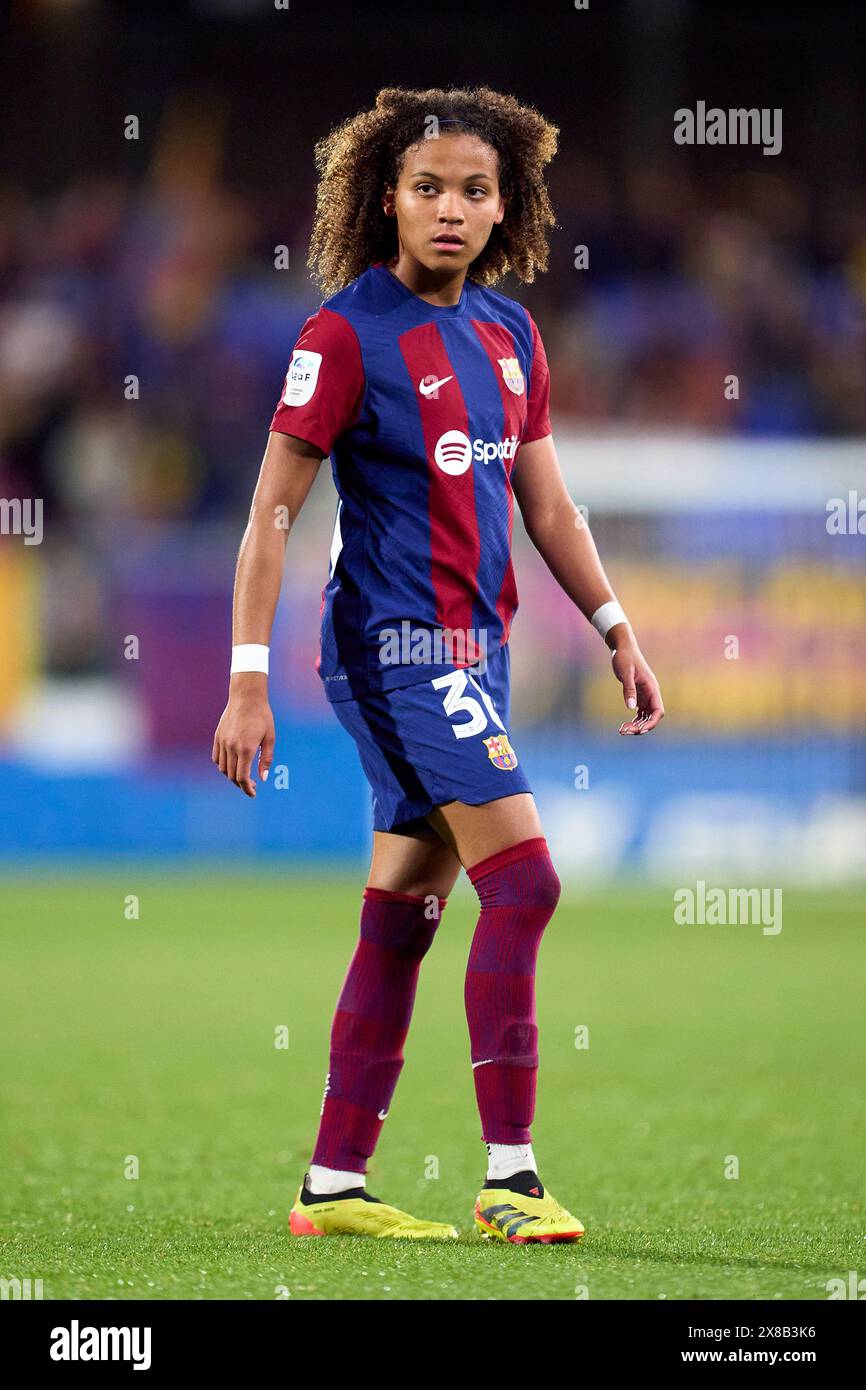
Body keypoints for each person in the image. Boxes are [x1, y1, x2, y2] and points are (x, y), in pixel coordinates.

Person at [212, 85, 664, 1243]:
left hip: (476, 652)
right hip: (394, 650)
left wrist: (614, 623)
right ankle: (509, 1179)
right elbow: (269, 514)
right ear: (386, 200)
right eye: (428, 189)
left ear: (505, 205)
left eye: (473, 190)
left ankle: (332, 1186)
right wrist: (248, 677)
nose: (450, 210)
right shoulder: (342, 335)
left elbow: (548, 503)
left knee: (405, 913)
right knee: (526, 883)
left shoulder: (511, 336)